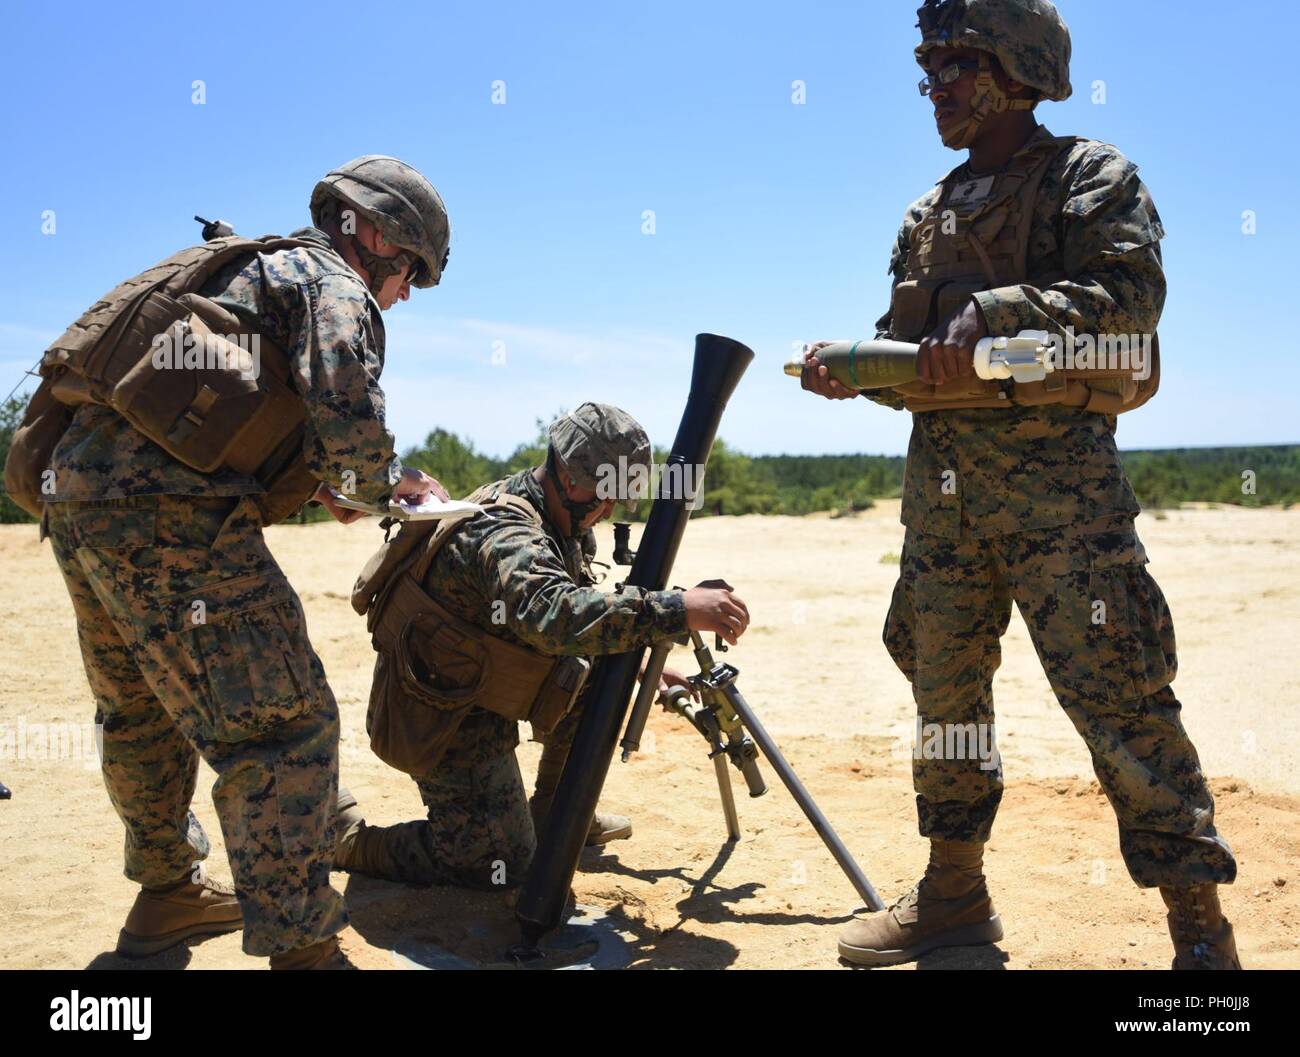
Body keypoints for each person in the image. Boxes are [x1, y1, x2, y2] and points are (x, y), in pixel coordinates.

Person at [801, 0, 1238, 969]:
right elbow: (919, 364)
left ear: (1019, 64)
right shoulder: (928, 212)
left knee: (1123, 708)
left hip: (1065, 515)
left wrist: (995, 314)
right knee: (946, 709)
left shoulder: (1090, 177)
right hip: (943, 514)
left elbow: (1128, 302)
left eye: (956, 62)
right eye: (929, 66)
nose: (938, 86)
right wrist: (858, 372)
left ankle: (1198, 932)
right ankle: (954, 894)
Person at [35, 155, 451, 969]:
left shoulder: (258, 272)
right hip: (175, 516)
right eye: (408, 271)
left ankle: (167, 895)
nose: (401, 293)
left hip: (82, 498)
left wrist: (337, 485)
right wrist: (385, 486)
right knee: (285, 727)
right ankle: (303, 951)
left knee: (143, 709)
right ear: (369, 233)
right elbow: (350, 419)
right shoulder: (333, 282)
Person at [337, 402, 750, 890]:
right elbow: (555, 615)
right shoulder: (507, 532)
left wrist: (640, 670)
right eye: (604, 495)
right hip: (440, 711)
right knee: (500, 865)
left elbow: (573, 612)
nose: (609, 510)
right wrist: (676, 610)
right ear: (571, 477)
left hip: (486, 677)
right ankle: (348, 839)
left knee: (603, 682)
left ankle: (560, 814)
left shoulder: (561, 513)